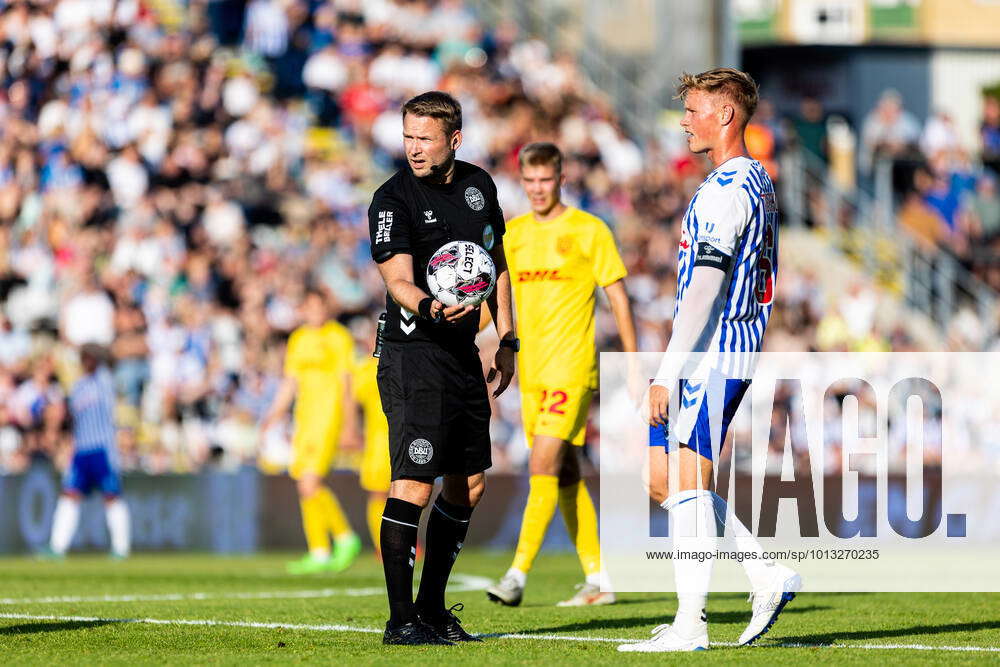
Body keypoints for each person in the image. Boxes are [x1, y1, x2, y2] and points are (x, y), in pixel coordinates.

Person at [619, 68, 799, 653]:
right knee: (676, 482)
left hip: (713, 352)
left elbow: (704, 289)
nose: (684, 121)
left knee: (689, 482)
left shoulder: (727, 189)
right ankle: (766, 575)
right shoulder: (756, 181)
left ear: (725, 115)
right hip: (730, 348)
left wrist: (667, 371)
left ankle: (691, 625)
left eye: (694, 110)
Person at [368, 91, 516, 646]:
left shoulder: (480, 187)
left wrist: (506, 339)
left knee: (469, 484)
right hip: (413, 353)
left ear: (454, 139)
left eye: (424, 139)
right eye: (407, 137)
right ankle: (400, 620)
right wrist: (429, 305)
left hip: (462, 354)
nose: (413, 149)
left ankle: (432, 608)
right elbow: (397, 280)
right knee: (412, 482)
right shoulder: (392, 199)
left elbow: (496, 263)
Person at [485, 142, 637, 607]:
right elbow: (498, 300)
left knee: (542, 464)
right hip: (530, 373)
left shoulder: (589, 231)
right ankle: (599, 578)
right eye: (528, 182)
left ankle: (516, 574)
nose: (536, 189)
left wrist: (632, 364)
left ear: (560, 180)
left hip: (571, 369)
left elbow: (619, 297)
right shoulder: (513, 236)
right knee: (565, 471)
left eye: (544, 181)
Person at [261, 288, 362, 574]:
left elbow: (347, 385)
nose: (316, 311)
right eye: (310, 306)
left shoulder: (338, 337)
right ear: (303, 309)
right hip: (303, 421)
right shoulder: (298, 338)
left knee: (310, 483)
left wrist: (349, 425)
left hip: (328, 419)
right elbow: (289, 383)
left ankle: (344, 537)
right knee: (304, 487)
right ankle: (319, 551)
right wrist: (272, 416)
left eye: (320, 306)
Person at [48, 344, 131, 559]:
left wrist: (99, 352)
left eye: (90, 357)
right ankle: (57, 548)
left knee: (111, 496)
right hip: (81, 450)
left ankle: (121, 549)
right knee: (69, 495)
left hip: (102, 449)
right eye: (84, 358)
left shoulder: (104, 381)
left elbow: (113, 360)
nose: (87, 362)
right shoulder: (78, 387)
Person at [349, 318, 391, 558]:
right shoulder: (364, 369)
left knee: (405, 492)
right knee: (378, 492)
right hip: (377, 438)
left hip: (402, 433)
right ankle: (382, 545)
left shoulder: (398, 361)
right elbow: (352, 403)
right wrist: (352, 431)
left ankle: (403, 540)